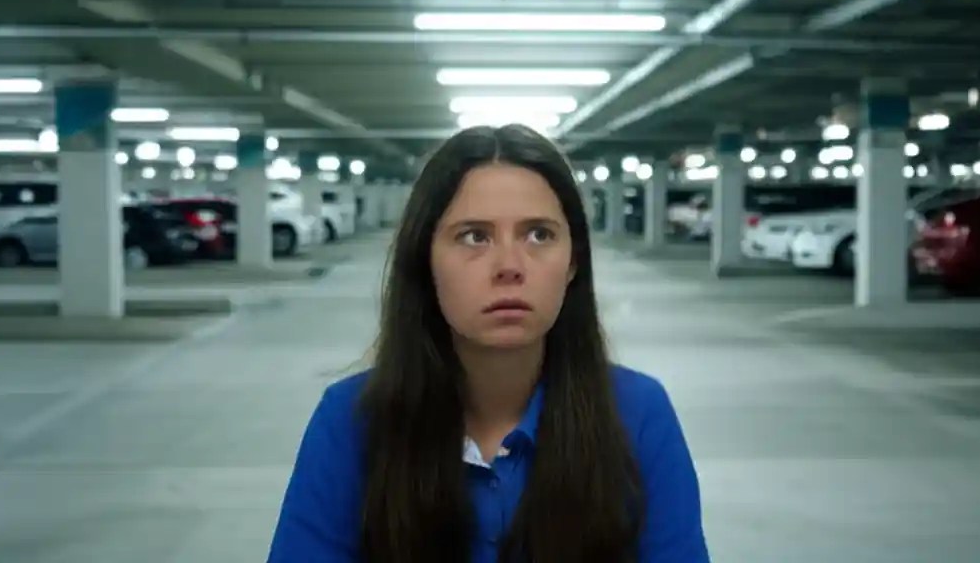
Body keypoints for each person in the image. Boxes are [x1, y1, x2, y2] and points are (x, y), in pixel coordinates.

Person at [266, 124, 709, 563]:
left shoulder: (638, 414)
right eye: (474, 236)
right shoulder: (351, 421)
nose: (510, 266)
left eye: (539, 234)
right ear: (426, 261)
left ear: (573, 262)